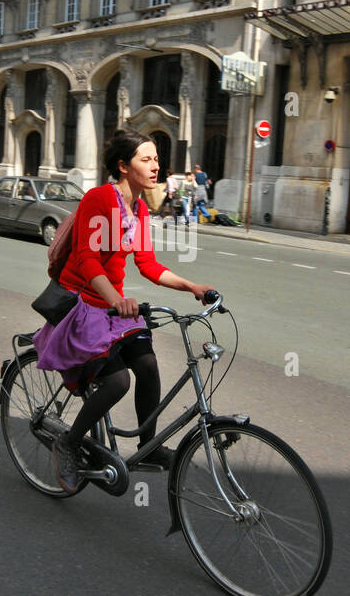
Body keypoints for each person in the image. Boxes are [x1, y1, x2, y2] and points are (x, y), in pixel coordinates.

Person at [33, 130, 215, 493]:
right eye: (146, 159)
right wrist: (115, 300)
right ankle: (68, 442)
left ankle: (148, 446)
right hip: (81, 304)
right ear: (123, 165)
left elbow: (147, 264)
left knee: (147, 365)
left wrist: (191, 286)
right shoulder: (100, 199)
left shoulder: (141, 208)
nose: (155, 166)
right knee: (118, 381)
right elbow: (85, 258)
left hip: (113, 307)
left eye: (156, 160)